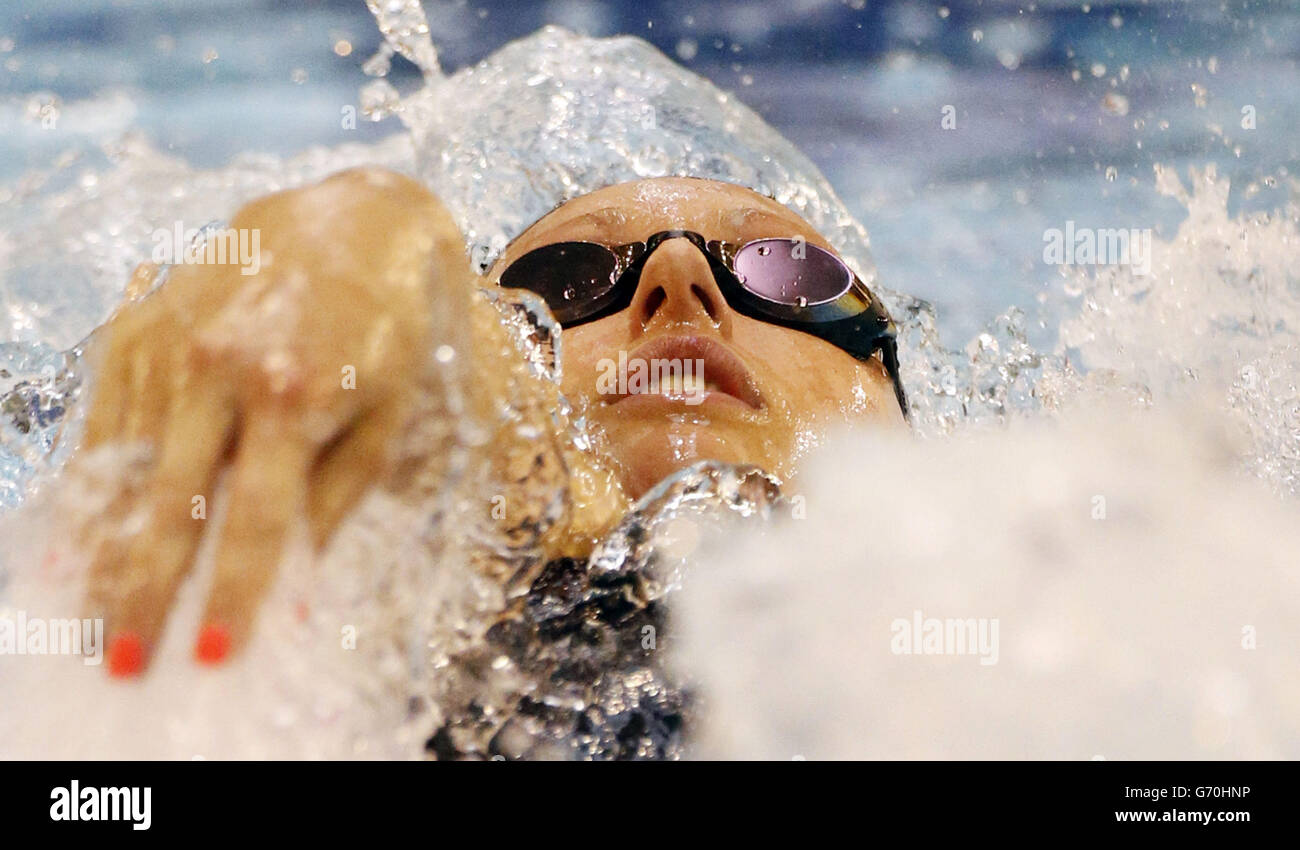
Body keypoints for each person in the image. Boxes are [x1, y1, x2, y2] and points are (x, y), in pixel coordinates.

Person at [73, 167, 906, 678]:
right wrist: (353, 235)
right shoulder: (359, 642)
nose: (679, 279)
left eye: (788, 271)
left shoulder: (1016, 608)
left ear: (894, 399)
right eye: (567, 279)